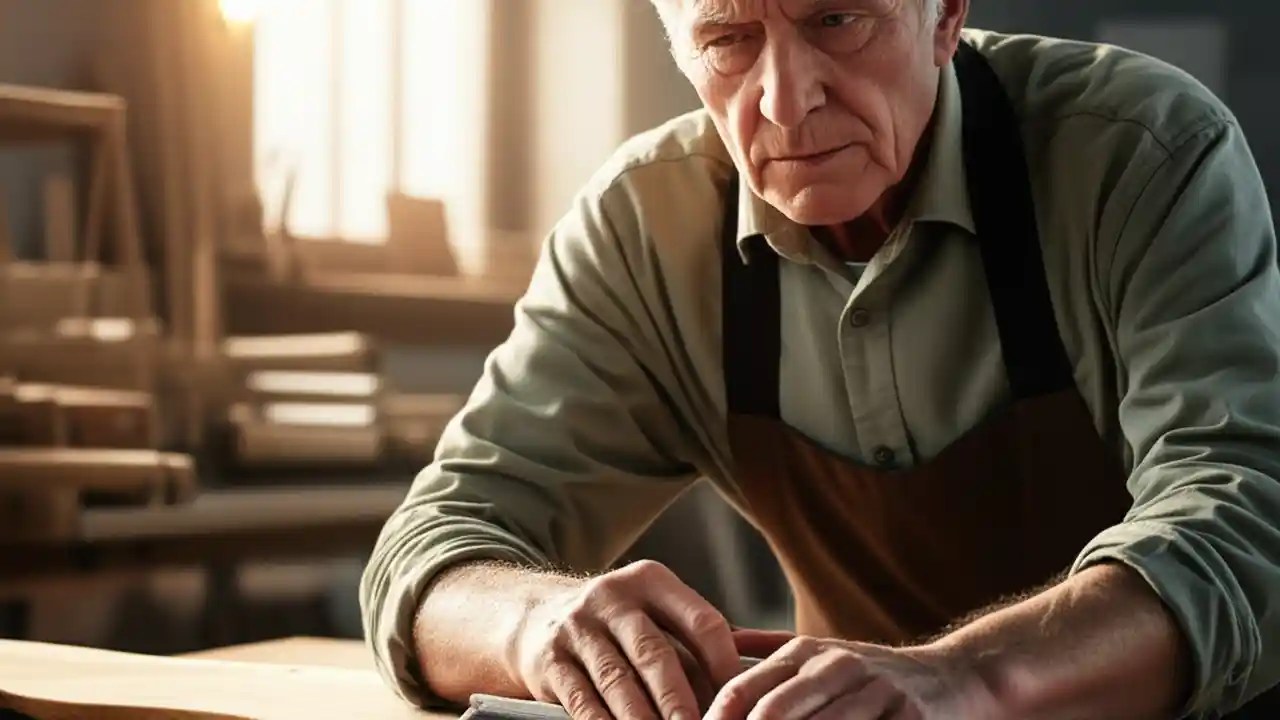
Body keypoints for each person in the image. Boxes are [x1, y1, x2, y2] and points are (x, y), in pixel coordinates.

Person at [361, 0, 1280, 717]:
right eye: (727, 40)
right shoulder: (645, 231)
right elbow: (428, 552)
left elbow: (1246, 519)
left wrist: (964, 684)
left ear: (945, 16)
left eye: (836, 21)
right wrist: (536, 625)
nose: (784, 99)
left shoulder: (1140, 155)